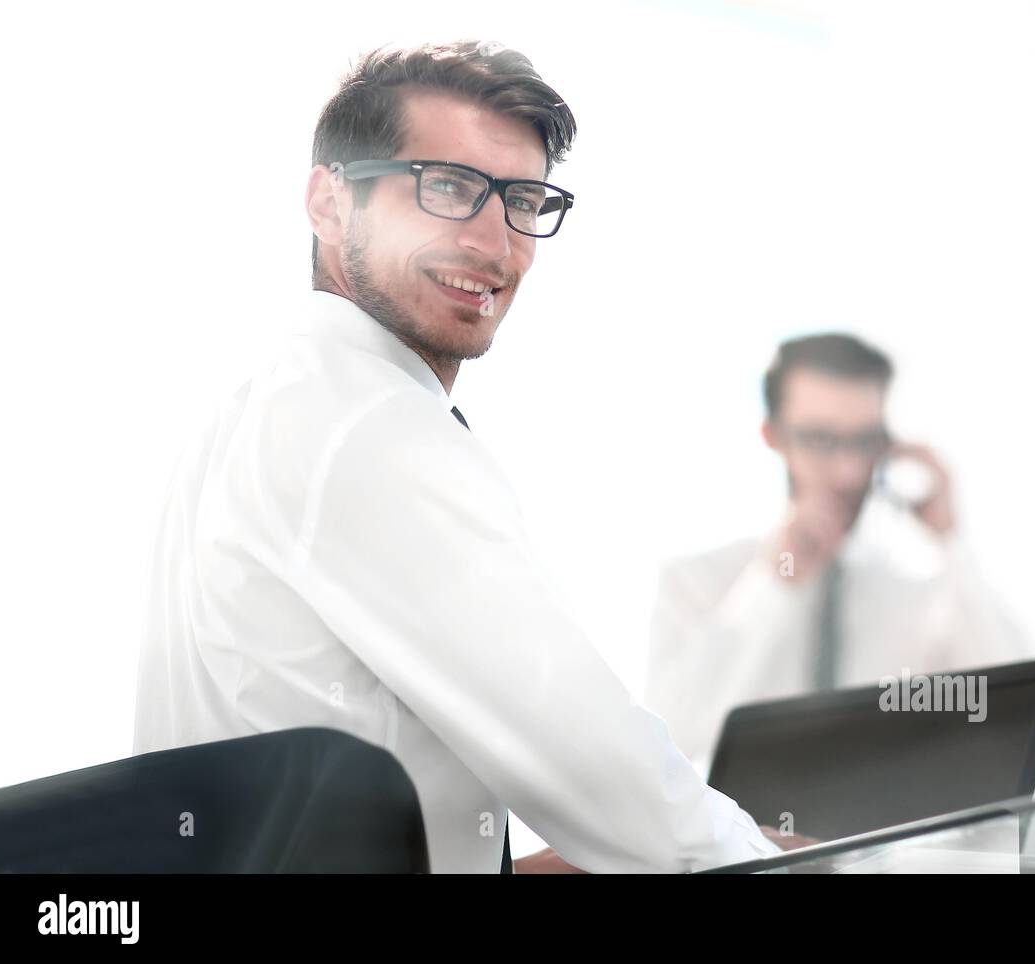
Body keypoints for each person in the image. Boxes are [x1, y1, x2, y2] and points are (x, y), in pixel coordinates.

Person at [132, 40, 789, 874]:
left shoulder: (251, 408)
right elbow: (590, 757)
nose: (494, 242)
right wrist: (770, 859)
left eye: (524, 199)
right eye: (446, 187)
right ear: (329, 202)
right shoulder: (369, 421)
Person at [644, 333, 1032, 773]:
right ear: (774, 437)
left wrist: (951, 543)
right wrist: (775, 584)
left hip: (881, 840)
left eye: (865, 441)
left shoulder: (910, 595)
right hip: (742, 842)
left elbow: (1012, 710)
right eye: (820, 440)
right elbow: (673, 736)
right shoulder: (696, 581)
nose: (848, 472)